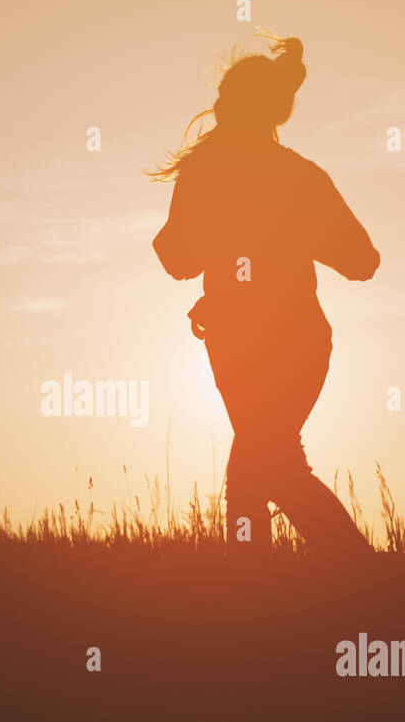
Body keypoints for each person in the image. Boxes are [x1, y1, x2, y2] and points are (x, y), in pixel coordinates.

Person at [150, 34, 380, 556]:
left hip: (242, 344)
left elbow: (177, 259)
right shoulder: (302, 175)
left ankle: (347, 581)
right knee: (268, 466)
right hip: (293, 341)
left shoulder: (205, 170)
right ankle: (347, 584)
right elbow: (362, 261)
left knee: (264, 467)